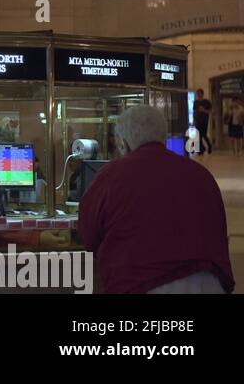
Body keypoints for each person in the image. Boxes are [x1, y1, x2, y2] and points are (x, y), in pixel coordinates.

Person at [78, 105, 234, 294]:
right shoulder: (201, 175)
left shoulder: (111, 176)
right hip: (208, 283)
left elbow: (89, 236)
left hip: (140, 284)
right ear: (163, 136)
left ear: (122, 143)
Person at [193, 89, 213, 155]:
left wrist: (203, 110)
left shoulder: (206, 102)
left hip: (204, 120)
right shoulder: (195, 102)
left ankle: (209, 146)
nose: (198, 95)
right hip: (197, 120)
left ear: (202, 94)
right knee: (198, 135)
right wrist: (194, 119)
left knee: (204, 135)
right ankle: (201, 149)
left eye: (199, 93)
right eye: (197, 93)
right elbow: (194, 111)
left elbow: (210, 111)